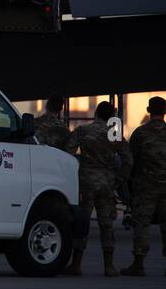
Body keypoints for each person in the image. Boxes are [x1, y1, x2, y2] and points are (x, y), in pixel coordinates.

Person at [66, 100, 131, 276]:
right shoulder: (113, 134)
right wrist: (118, 179)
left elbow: (68, 153)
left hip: (86, 181)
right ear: (111, 116)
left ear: (96, 113)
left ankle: (76, 264)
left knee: (83, 223)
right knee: (107, 223)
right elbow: (128, 159)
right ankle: (109, 266)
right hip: (107, 183)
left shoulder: (83, 130)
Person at [121, 96, 166, 276]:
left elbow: (131, 160)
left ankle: (138, 264)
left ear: (148, 110)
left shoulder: (140, 133)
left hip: (146, 186)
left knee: (142, 224)